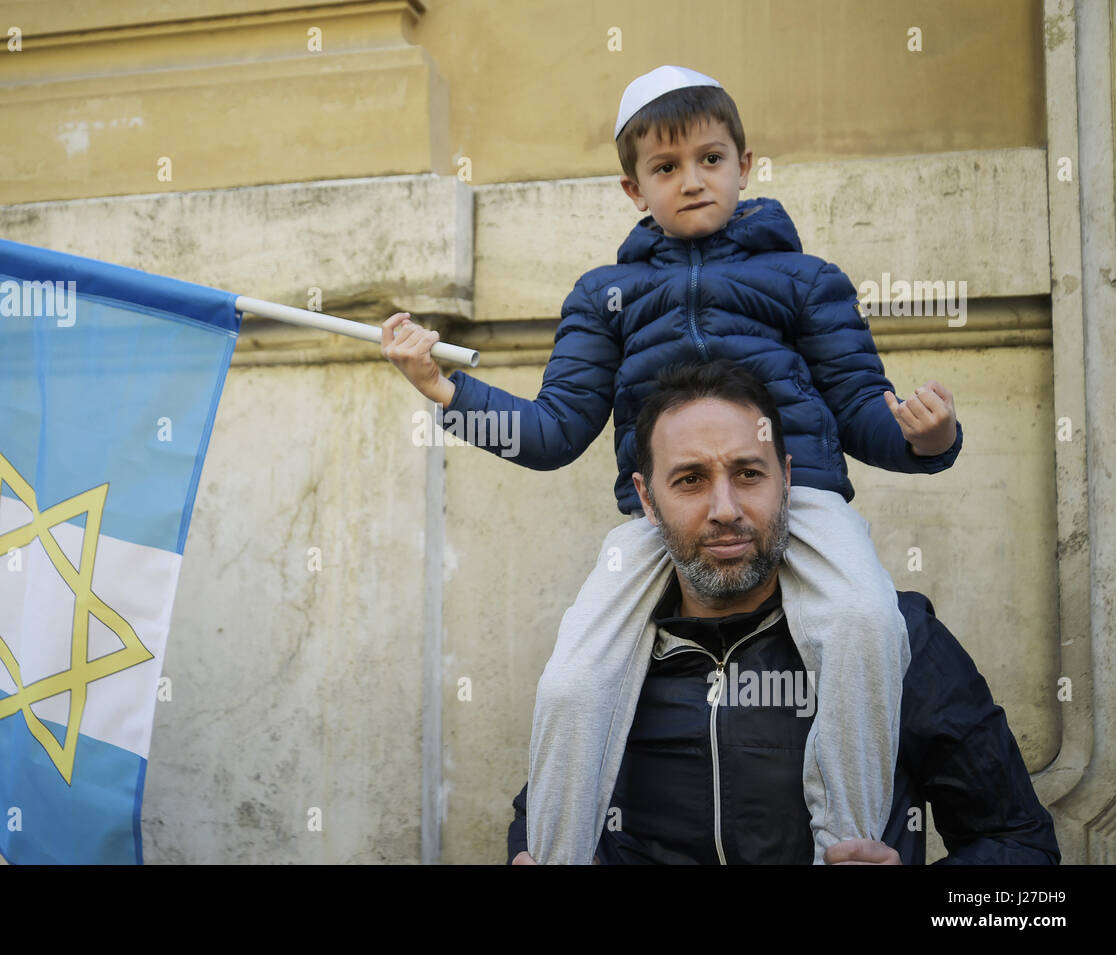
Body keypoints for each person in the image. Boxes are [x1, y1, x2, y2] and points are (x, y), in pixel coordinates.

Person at [381, 65, 963, 865]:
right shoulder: (604, 296)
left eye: (710, 159)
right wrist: (447, 391)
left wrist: (928, 439)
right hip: (662, 523)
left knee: (866, 621)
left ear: (744, 164)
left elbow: (865, 410)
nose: (692, 181)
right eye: (666, 167)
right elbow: (553, 432)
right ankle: (555, 856)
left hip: (804, 504)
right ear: (633, 189)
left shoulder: (804, 281)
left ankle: (850, 847)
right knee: (574, 679)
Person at [505, 362, 1057, 865]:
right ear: (647, 500)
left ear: (787, 480)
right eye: (690, 480)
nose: (726, 511)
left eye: (748, 474)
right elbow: (540, 823)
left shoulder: (896, 639)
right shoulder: (603, 657)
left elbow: (1023, 850)